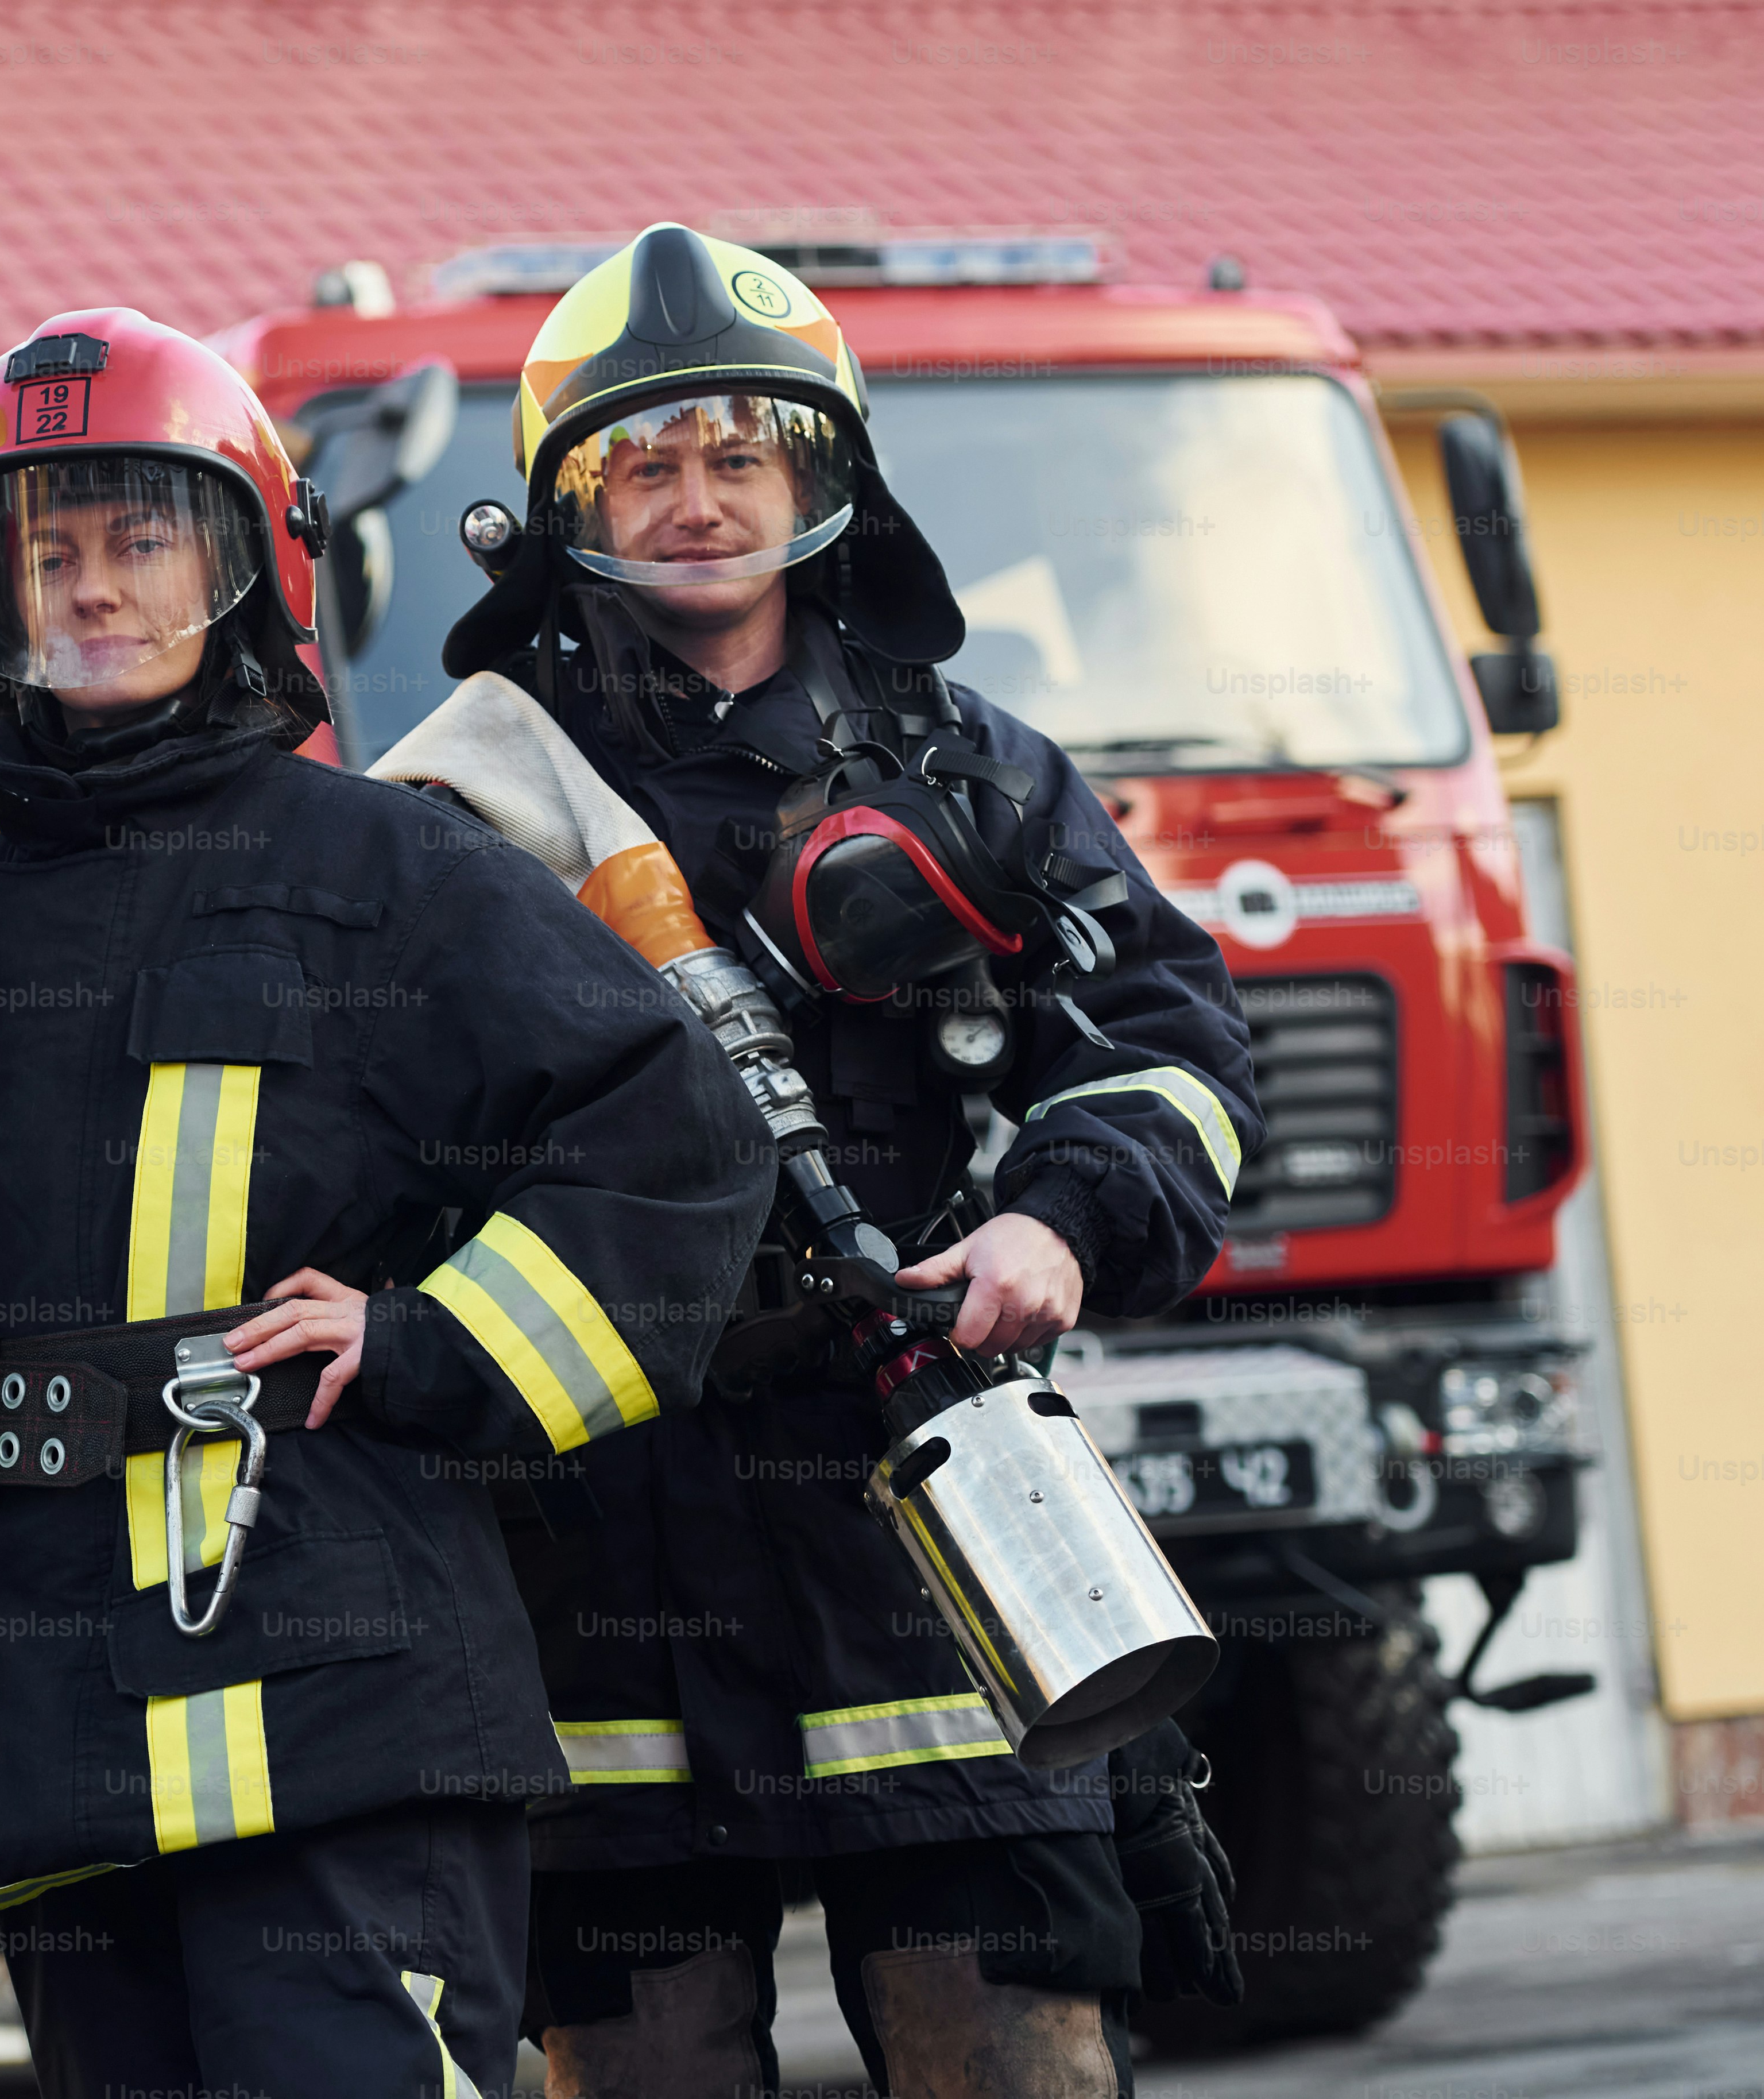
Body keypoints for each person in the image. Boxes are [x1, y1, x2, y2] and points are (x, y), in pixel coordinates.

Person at [0, 307, 775, 2098]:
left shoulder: (394, 867)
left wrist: (430, 1344)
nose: (86, 591)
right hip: (58, 1737)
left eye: (139, 540)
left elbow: (678, 1146)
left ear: (240, 568)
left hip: (354, 1716)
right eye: (39, 552)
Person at [439, 227, 1260, 2097]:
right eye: (641, 462)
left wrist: (1058, 1220)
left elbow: (1178, 1049)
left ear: (824, 480)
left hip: (946, 1530)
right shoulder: (467, 801)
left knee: (1018, 2058)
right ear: (566, 510)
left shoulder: (972, 771)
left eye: (740, 452)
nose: (696, 498)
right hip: (607, 1555)